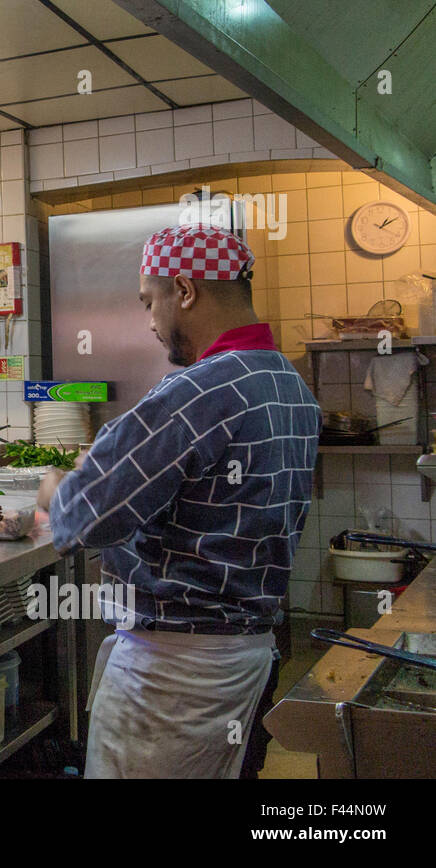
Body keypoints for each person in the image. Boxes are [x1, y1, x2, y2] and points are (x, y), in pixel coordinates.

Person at [36, 224, 320, 778]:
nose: (149, 321)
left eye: (150, 301)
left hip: (173, 674)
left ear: (185, 291)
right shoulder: (290, 384)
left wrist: (55, 486)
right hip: (247, 657)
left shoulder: (199, 389)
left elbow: (85, 518)